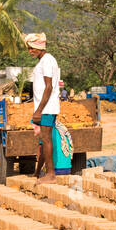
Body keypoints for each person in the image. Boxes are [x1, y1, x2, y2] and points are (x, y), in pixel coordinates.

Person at [26, 33, 72, 180]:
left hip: (46, 109)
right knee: (45, 141)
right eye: (29, 48)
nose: (30, 51)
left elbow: (49, 87)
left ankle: (51, 174)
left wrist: (39, 110)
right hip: (46, 108)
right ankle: (39, 172)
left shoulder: (47, 61)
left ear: (40, 48)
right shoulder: (44, 60)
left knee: (46, 140)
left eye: (32, 48)